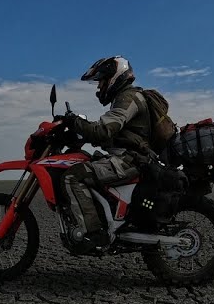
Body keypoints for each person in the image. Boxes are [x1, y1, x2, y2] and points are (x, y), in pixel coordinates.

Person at [61, 55, 164, 249]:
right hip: (128, 157)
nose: (99, 87)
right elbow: (111, 136)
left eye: (101, 81)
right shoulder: (124, 98)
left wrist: (73, 121)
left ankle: (93, 233)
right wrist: (78, 136)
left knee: (73, 176)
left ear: (114, 77)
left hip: (130, 161)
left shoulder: (129, 98)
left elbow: (103, 130)